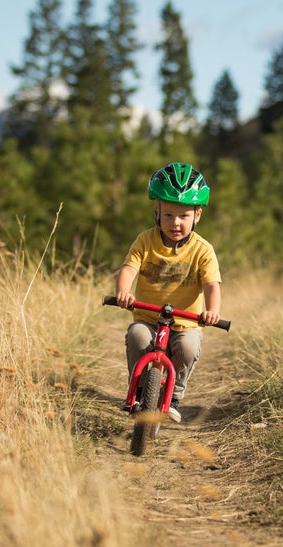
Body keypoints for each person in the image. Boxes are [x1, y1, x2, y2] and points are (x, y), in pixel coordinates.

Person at [112, 162, 223, 422]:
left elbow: (211, 284)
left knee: (187, 346)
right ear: (156, 212)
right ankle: (138, 392)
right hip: (149, 318)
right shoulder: (145, 241)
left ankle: (174, 396)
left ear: (197, 216)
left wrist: (212, 311)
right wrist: (123, 292)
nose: (175, 223)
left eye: (183, 216)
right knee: (138, 336)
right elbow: (129, 268)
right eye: (168, 215)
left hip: (186, 322)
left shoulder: (202, 250)